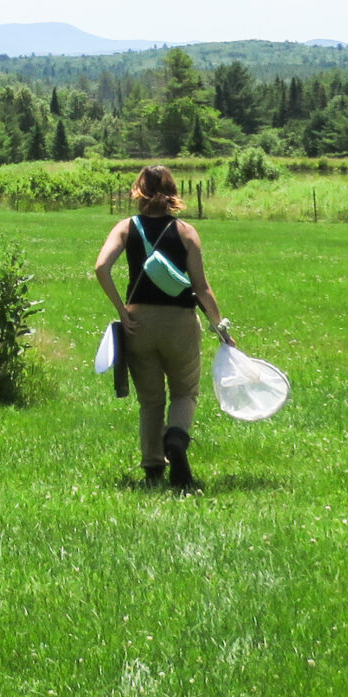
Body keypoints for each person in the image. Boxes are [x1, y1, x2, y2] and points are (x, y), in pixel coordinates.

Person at [93, 164, 233, 490]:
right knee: (184, 392)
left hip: (138, 321)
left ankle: (154, 467)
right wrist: (221, 329)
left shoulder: (126, 227)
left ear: (137, 191)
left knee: (151, 400)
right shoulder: (186, 232)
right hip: (180, 322)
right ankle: (176, 441)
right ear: (173, 191)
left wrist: (121, 310)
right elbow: (201, 287)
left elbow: (101, 267)